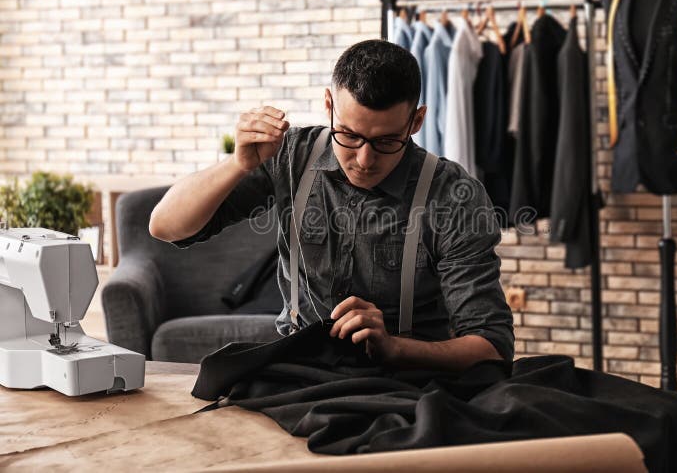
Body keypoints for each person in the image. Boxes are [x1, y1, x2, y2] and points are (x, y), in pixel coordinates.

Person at [150, 40, 514, 372]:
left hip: (410, 383)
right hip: (299, 370)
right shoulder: (289, 157)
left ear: (416, 121)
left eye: (387, 141)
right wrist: (237, 165)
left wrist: (395, 348)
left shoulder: (454, 196)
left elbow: (491, 347)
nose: (365, 159)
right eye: (350, 135)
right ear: (328, 105)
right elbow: (165, 226)